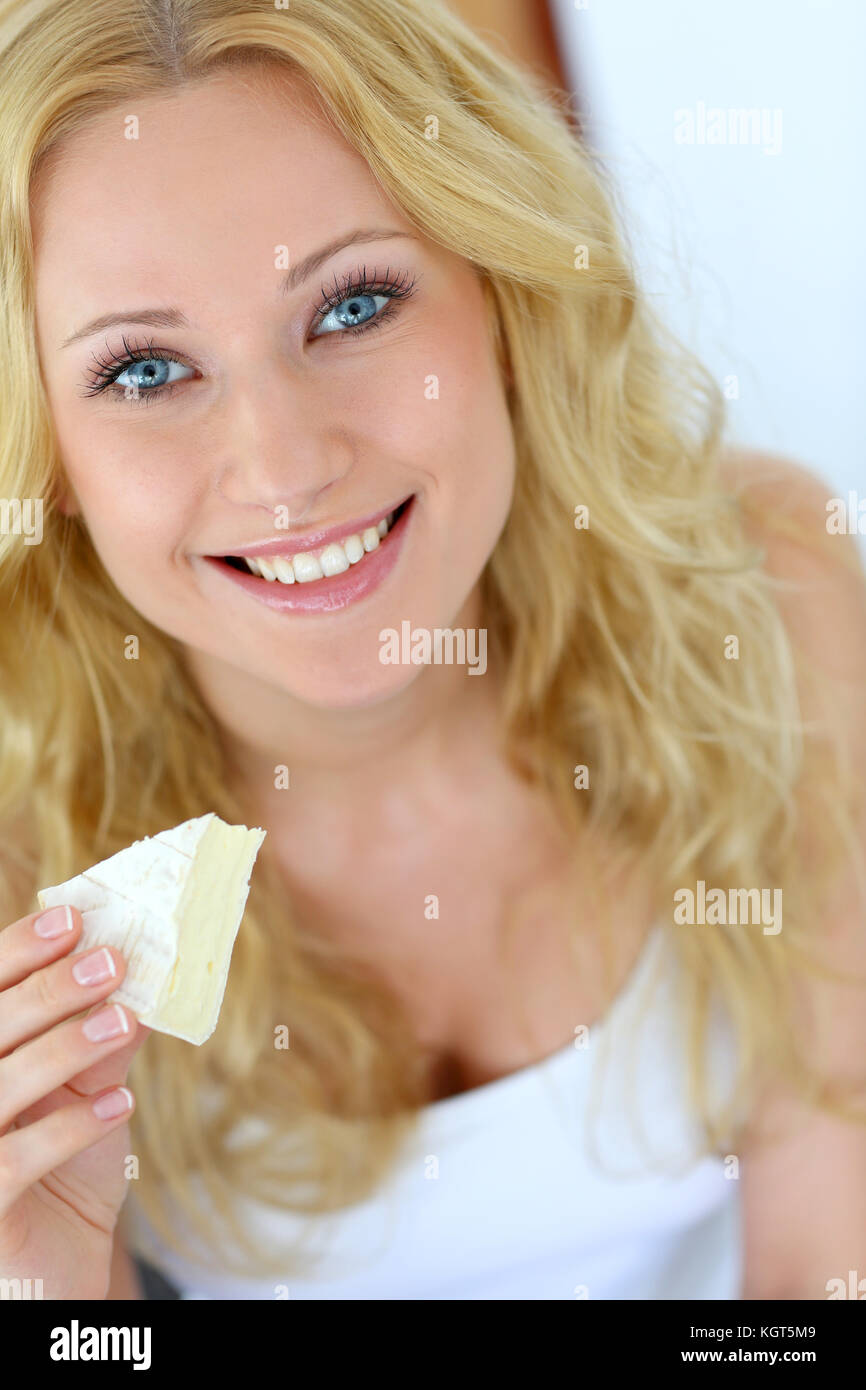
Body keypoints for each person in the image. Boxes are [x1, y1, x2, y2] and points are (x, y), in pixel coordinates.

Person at [0, 0, 864, 1302]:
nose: (286, 468)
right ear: (48, 454)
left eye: (352, 304)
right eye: (142, 372)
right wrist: (57, 1294)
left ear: (503, 295)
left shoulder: (761, 593)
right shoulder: (19, 830)